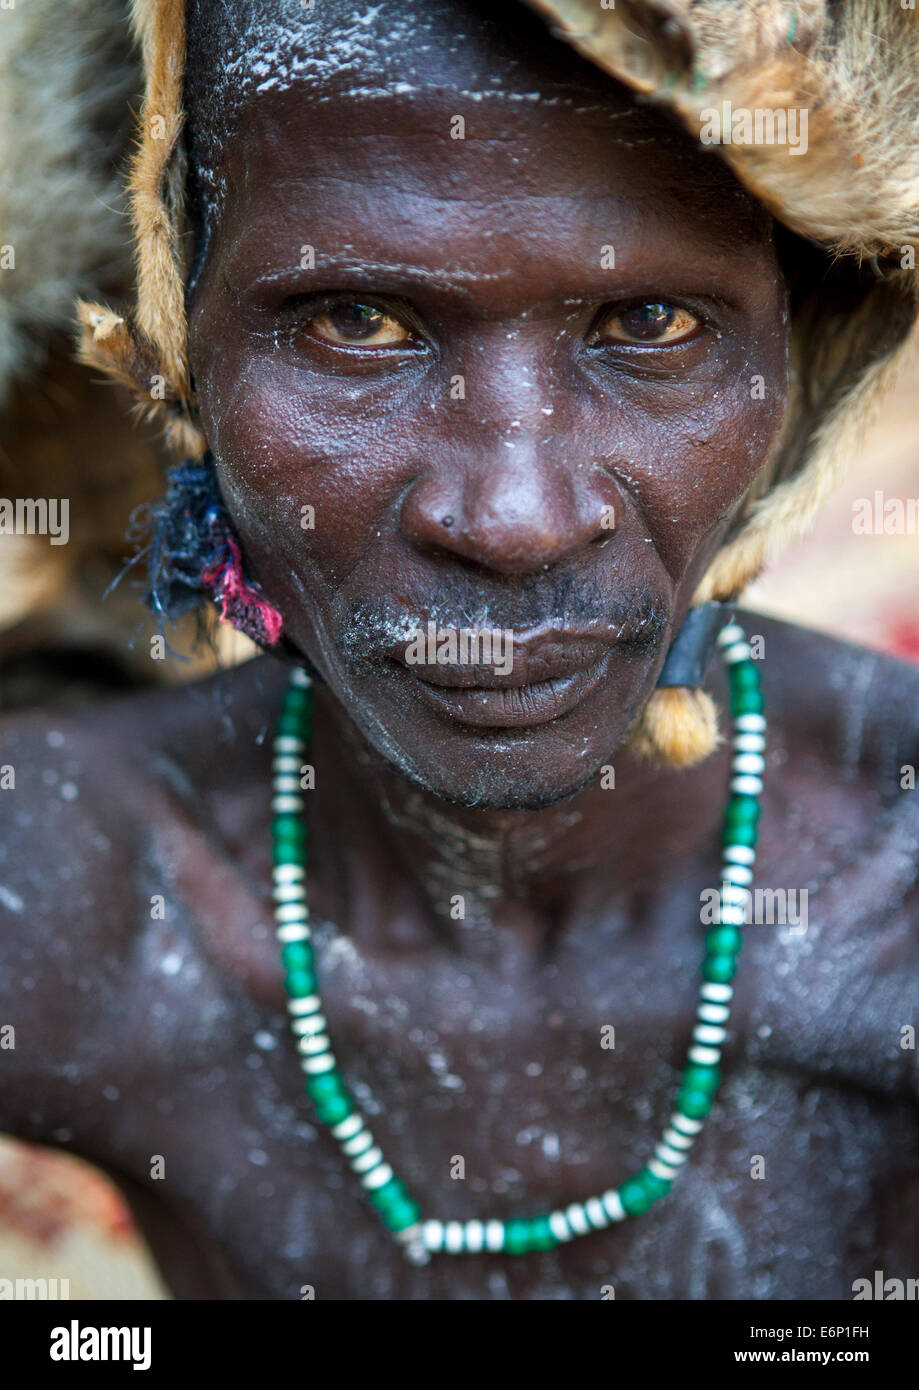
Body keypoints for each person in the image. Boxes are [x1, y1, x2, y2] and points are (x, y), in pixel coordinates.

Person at [1, 0, 918, 1300]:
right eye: (357, 324)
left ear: (806, 359)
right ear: (174, 345)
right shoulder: (69, 880)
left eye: (650, 323)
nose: (514, 518)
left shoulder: (895, 903)